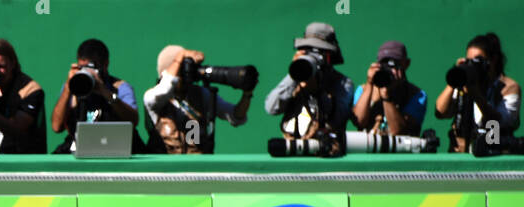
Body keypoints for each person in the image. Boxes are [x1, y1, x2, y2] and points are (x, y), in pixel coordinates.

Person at [265, 22, 355, 156]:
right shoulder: (295, 81)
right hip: (295, 149)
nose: (312, 56)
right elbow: (271, 108)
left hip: (326, 152)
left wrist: (317, 90)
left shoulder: (342, 83)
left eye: (318, 51)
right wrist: (294, 74)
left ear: (329, 55)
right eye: (308, 50)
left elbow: (337, 120)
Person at [144, 45, 254, 154]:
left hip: (194, 167)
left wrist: (247, 94)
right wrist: (180, 57)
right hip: (164, 167)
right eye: (181, 69)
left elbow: (235, 116)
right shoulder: (152, 97)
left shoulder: (201, 95)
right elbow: (165, 89)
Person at [51, 38, 145, 154]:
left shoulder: (120, 87)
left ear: (105, 64)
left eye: (91, 68)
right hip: (79, 148)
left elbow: (133, 121)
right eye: (82, 68)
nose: (87, 72)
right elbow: (56, 126)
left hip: (115, 149)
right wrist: (68, 87)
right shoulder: (72, 88)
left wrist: (105, 92)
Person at [434, 33, 520, 153]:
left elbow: (497, 123)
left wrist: (475, 93)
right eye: (469, 61)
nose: (472, 66)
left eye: (477, 61)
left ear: (493, 60)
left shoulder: (508, 88)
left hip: (492, 156)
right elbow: (440, 112)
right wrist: (455, 78)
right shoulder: (463, 84)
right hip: (459, 155)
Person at [352, 41, 426, 136]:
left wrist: (386, 95)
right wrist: (370, 83)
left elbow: (398, 131)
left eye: (395, 64)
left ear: (406, 64)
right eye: (385, 64)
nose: (390, 70)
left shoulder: (417, 95)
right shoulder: (363, 90)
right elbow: (359, 121)